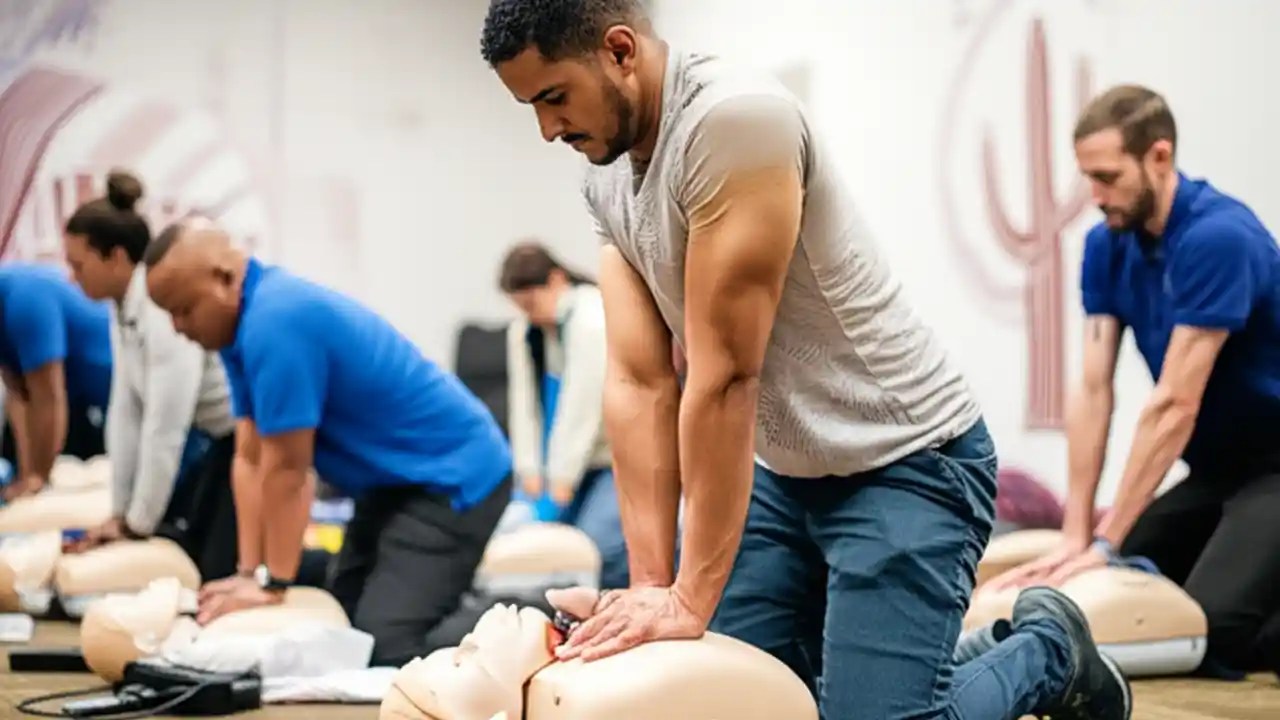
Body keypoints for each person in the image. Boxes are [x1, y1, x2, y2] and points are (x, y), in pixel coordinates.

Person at [480, 2, 1132, 718]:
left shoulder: (734, 122)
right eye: (530, 107)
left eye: (554, 97)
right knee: (749, 701)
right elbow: (640, 382)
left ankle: (1050, 651)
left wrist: (689, 599)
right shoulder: (603, 173)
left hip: (907, 460)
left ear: (620, 51)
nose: (548, 129)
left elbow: (725, 374)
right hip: (782, 476)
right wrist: (649, 586)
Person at [987, 84, 1280, 677]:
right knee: (1117, 592)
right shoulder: (1106, 245)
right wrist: (1077, 535)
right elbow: (1094, 391)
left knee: (1207, 629)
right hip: (1218, 473)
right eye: (1087, 178)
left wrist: (1107, 540)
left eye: (1108, 176)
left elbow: (1173, 404)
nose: (1095, 196)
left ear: (1160, 157)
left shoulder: (1217, 239)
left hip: (1276, 465)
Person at [142, 217, 514, 668]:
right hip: (391, 486)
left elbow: (288, 472)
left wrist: (272, 583)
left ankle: (528, 619)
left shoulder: (276, 321)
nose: (178, 327)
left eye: (184, 309)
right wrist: (247, 575)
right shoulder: (237, 328)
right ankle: (444, 595)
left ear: (224, 279)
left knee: (386, 646)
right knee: (346, 631)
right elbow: (249, 456)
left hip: (454, 477)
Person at [58, 171, 240, 584]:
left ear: (116, 258)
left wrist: (137, 523)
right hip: (217, 440)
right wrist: (119, 514)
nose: (73, 277)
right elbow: (126, 411)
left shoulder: (162, 306)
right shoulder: (121, 308)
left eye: (78, 265)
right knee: (195, 552)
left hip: (241, 438)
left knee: (213, 569)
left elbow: (165, 428)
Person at [499, 241, 629, 589]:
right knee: (535, 541)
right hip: (569, 463)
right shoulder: (526, 330)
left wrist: (561, 481)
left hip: (611, 458)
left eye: (531, 303)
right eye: (519, 306)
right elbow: (524, 405)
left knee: (594, 546)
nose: (529, 313)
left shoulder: (592, 318)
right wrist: (528, 470)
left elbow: (581, 408)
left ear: (556, 281)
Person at [0, 258, 112, 502]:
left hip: (107, 386)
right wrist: (25, 475)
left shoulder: (25, 299)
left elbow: (48, 397)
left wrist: (38, 477)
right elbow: (18, 396)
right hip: (74, 392)